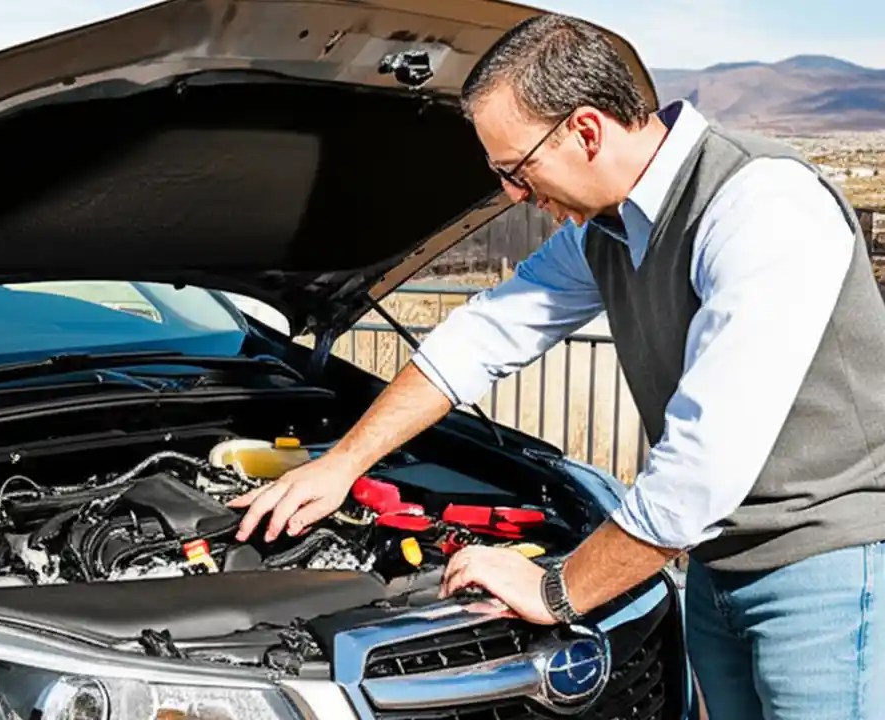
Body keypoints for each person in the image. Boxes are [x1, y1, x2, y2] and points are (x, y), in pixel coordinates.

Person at [228, 12, 885, 719]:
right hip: (717, 569)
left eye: (516, 169)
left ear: (586, 130)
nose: (513, 195)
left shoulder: (761, 205)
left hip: (826, 573)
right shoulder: (605, 229)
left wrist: (553, 590)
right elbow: (482, 336)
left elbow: (703, 466)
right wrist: (342, 465)